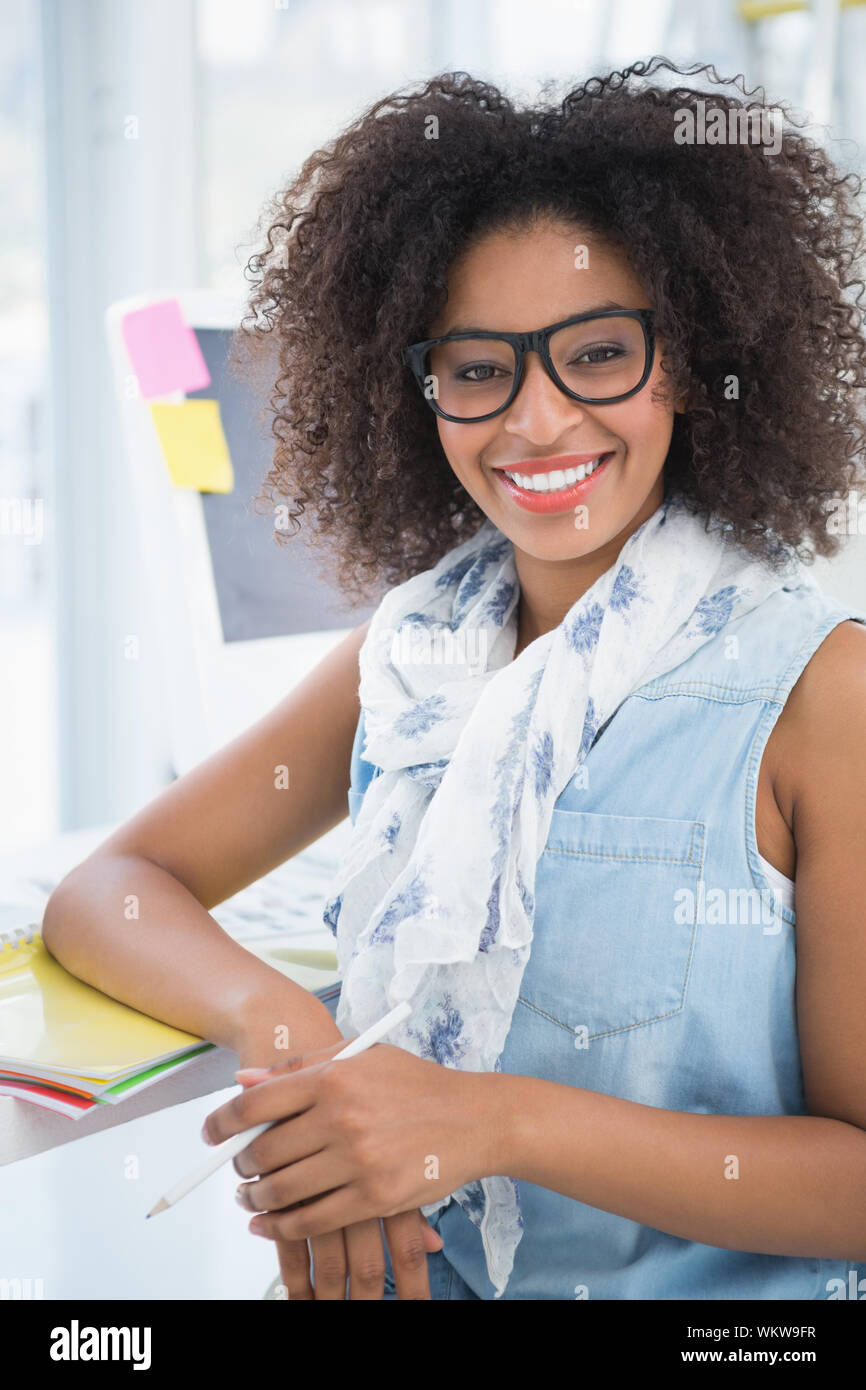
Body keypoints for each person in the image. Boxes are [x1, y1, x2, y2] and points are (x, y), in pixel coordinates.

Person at [45, 59, 866, 1301]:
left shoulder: (820, 692)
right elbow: (112, 888)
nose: (534, 424)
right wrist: (306, 1050)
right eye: (479, 369)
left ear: (691, 364)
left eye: (596, 353)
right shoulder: (417, 648)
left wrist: (485, 1121)